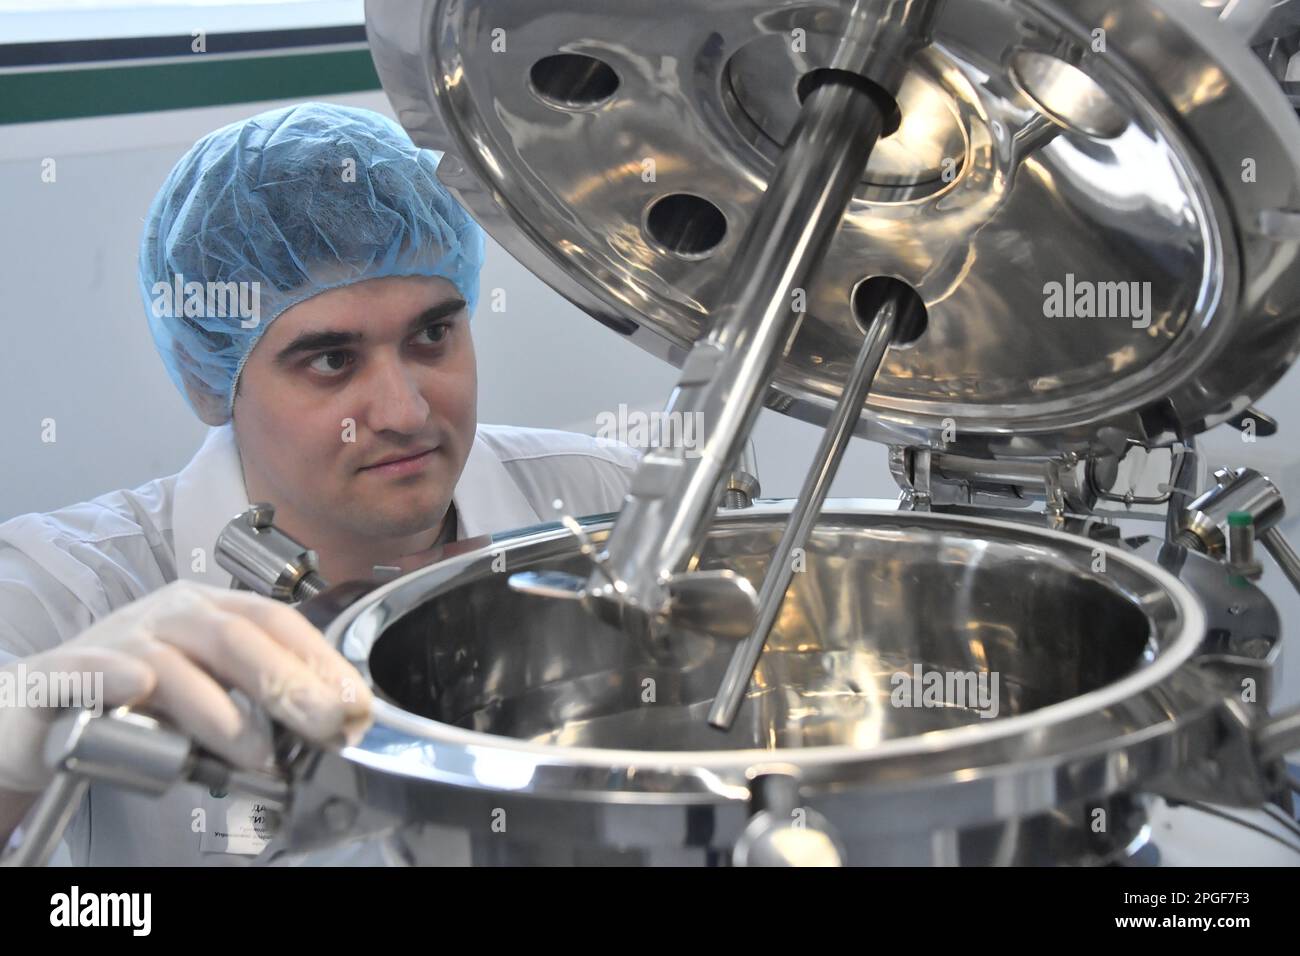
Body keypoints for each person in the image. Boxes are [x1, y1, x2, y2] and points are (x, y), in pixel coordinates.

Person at [0, 102, 640, 864]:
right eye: (332, 361)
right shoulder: (70, 591)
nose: (405, 412)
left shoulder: (608, 503)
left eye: (432, 335)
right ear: (216, 383)